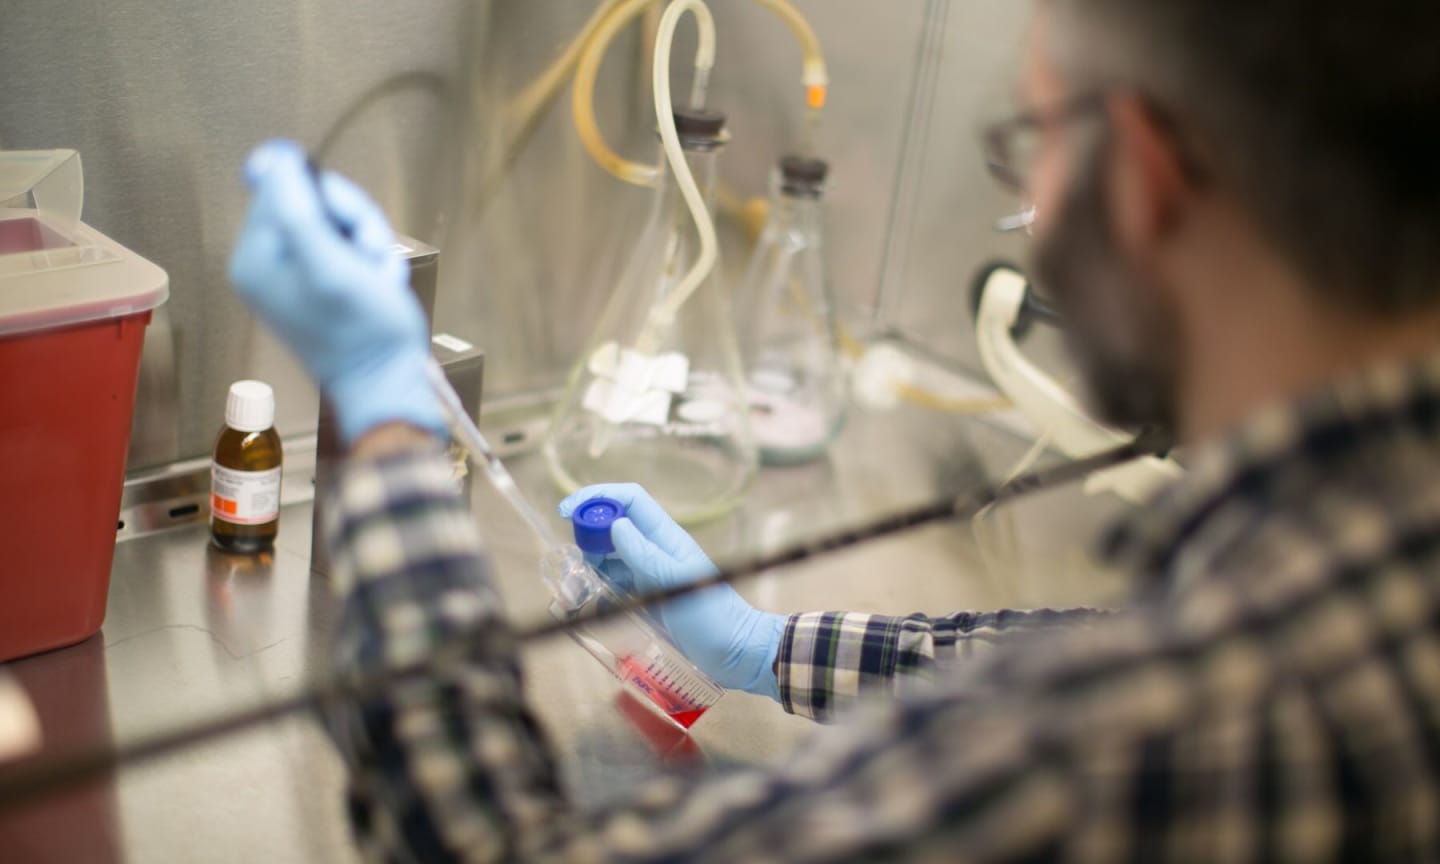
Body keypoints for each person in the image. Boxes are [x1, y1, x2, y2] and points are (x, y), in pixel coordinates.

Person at [230, 0, 1440, 859]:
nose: (1030, 212)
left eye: (1033, 146)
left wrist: (385, 425)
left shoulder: (1167, 729)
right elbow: (1097, 644)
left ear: (1148, 169)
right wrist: (769, 647)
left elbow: (499, 846)